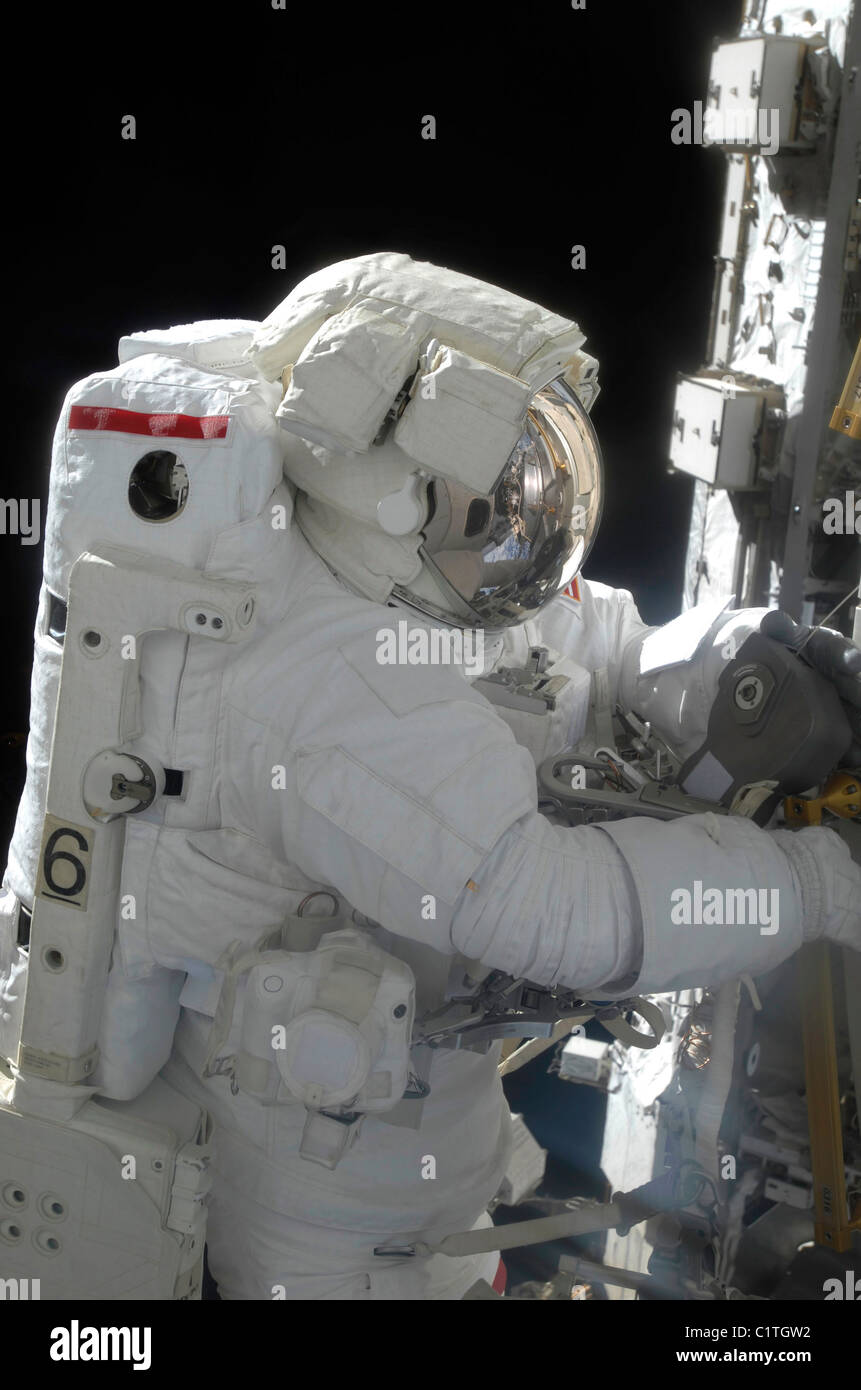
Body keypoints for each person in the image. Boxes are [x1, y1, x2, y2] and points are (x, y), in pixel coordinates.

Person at [4, 252, 860, 1300]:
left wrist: (734, 660)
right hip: (326, 1208)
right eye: (488, 507)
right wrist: (820, 883)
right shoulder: (316, 686)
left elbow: (582, 645)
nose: (509, 529)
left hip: (425, 1134)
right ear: (388, 488)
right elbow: (551, 903)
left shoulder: (414, 553)